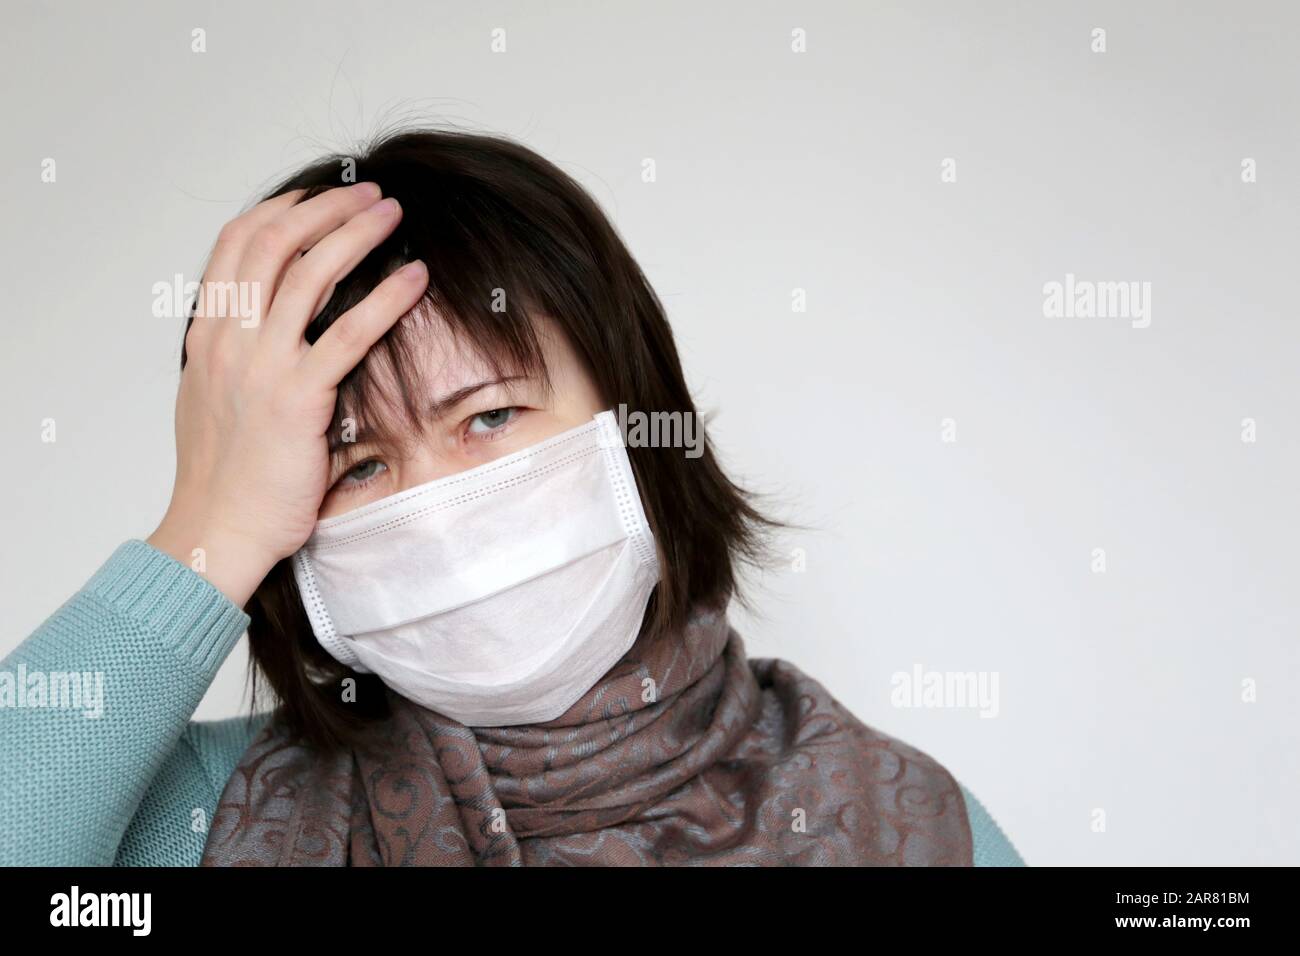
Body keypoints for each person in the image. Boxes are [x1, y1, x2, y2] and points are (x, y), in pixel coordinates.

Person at [0, 127, 1024, 866]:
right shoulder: (201, 811)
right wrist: (204, 533)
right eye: (360, 464)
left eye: (489, 415)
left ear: (633, 422)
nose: (441, 508)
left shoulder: (908, 826)